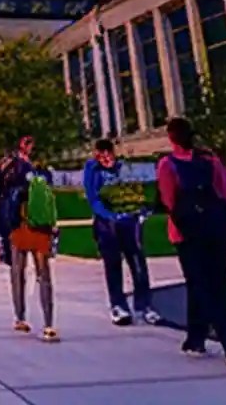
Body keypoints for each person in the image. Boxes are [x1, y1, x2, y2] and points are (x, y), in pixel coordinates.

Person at [157, 117, 226, 370]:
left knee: (206, 287)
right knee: (210, 284)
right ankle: (195, 338)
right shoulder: (211, 162)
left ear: (171, 138)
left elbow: (169, 201)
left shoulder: (168, 165)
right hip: (218, 230)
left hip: (188, 235)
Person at [84, 139, 160, 326]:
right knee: (113, 265)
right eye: (101, 154)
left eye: (109, 153)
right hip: (107, 225)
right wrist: (110, 216)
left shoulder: (123, 168)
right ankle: (118, 306)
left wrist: (139, 210)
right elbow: (93, 198)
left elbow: (136, 190)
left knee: (138, 264)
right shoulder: (94, 171)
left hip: (129, 222)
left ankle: (144, 305)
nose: (106, 158)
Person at [7, 136, 60, 343]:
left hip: (26, 224)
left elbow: (4, 195)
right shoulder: (41, 172)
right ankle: (43, 323)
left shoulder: (15, 169)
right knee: (35, 273)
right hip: (30, 225)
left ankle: (32, 320)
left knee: (25, 272)